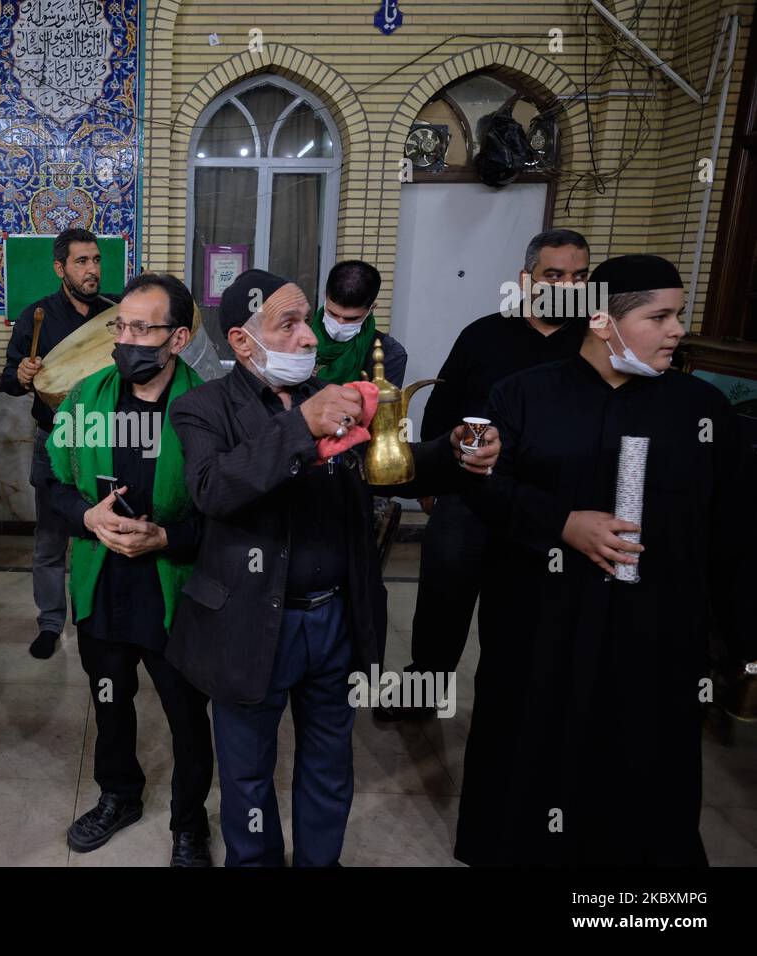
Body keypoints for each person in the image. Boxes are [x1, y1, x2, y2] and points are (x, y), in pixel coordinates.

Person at [166, 269, 499, 867]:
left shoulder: (338, 393)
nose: (308, 338)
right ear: (242, 341)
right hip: (248, 623)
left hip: (335, 621)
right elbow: (214, 489)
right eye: (287, 325)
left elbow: (386, 466)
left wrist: (452, 452)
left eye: (306, 323)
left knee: (329, 763)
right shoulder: (202, 407)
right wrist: (301, 425)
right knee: (247, 775)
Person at [455, 254, 756, 866]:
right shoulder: (524, 395)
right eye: (660, 316)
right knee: (533, 752)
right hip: (543, 621)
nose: (677, 331)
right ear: (601, 321)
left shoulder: (700, 411)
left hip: (654, 631)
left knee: (643, 768)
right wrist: (561, 523)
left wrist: (744, 646)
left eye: (680, 316)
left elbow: (734, 533)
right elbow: (484, 489)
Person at [385, 229, 590, 720]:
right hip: (468, 494)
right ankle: (423, 692)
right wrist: (432, 484)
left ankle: (507, 706)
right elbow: (441, 407)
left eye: (579, 276)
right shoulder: (484, 334)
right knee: (441, 601)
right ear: (527, 279)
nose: (568, 286)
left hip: (542, 504)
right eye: (554, 275)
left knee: (523, 615)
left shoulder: (591, 342)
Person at [46, 272, 214, 866]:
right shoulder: (86, 398)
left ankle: (190, 824)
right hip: (104, 581)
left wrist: (167, 535)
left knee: (187, 714)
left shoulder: (208, 408)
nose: (129, 339)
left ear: (179, 337)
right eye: (123, 325)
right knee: (110, 697)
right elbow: (50, 481)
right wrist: (86, 518)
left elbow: (227, 514)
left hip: (176, 587)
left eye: (146, 328)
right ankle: (119, 794)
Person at [0, 228, 119, 659]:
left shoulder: (115, 315)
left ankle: (99, 616)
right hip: (56, 439)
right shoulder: (38, 316)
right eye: (81, 262)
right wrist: (22, 376)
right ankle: (51, 622)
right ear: (60, 268)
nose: (92, 270)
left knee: (104, 532)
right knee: (50, 540)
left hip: (107, 439)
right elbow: (7, 382)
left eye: (96, 260)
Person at [308, 260, 407, 386]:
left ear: (371, 308)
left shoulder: (388, 354)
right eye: (332, 314)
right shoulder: (300, 336)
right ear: (325, 298)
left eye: (351, 319)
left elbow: (382, 404)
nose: (339, 324)